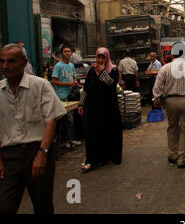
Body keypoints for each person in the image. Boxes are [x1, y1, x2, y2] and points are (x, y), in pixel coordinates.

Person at [0, 43, 66, 214]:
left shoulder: (40, 85)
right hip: (9, 157)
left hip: (36, 152)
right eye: (2, 62)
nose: (5, 66)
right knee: (5, 205)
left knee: (42, 205)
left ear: (24, 63)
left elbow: (51, 119)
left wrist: (42, 153)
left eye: (11, 61)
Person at [152, 43, 185, 168]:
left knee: (172, 127)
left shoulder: (165, 68)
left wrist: (157, 100)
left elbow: (157, 87)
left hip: (170, 101)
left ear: (172, 53)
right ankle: (182, 157)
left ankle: (173, 154)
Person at [77, 47, 122, 172]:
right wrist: (81, 104)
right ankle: (91, 159)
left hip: (108, 108)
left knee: (107, 132)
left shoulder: (113, 70)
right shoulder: (92, 71)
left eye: (103, 57)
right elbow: (86, 89)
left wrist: (102, 71)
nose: (101, 60)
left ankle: (106, 157)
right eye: (99, 57)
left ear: (107, 58)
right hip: (93, 107)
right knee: (92, 133)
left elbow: (111, 84)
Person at [51, 44, 82, 149]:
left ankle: (71, 139)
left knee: (71, 119)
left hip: (70, 96)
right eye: (65, 51)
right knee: (66, 120)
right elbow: (54, 81)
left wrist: (73, 83)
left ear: (71, 53)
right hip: (61, 96)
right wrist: (68, 84)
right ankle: (66, 141)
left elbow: (73, 78)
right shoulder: (58, 66)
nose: (67, 53)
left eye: (69, 51)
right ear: (62, 53)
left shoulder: (71, 65)